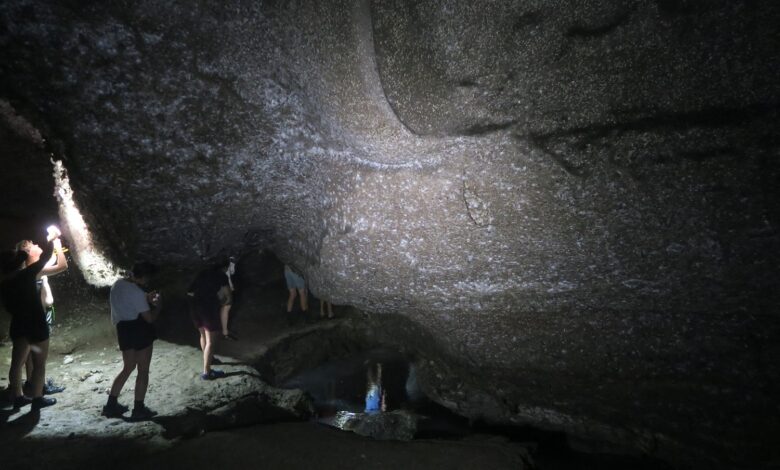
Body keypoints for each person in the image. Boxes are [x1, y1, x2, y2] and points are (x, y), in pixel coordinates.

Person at [0, 225, 67, 411]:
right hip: (36, 324)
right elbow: (58, 263)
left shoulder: (6, 282)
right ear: (24, 255)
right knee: (39, 363)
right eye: (31, 245)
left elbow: (45, 261)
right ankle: (37, 397)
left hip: (19, 324)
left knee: (18, 363)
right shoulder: (29, 274)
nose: (35, 244)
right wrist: (55, 240)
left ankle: (19, 397)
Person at [102, 262, 160, 420]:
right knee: (143, 370)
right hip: (140, 331)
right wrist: (157, 305)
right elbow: (149, 318)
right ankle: (139, 409)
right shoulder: (137, 293)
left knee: (128, 367)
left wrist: (145, 298)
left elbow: (127, 303)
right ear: (143, 277)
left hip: (123, 330)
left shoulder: (117, 284)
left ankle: (111, 405)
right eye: (147, 279)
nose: (148, 282)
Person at [18, 240, 66, 396]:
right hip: (40, 315)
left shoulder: (30, 268)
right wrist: (58, 244)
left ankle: (33, 383)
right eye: (32, 244)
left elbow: (49, 261)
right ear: (29, 253)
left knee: (33, 353)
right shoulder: (33, 271)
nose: (36, 244)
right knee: (38, 355)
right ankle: (39, 387)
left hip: (38, 313)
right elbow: (62, 266)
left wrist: (54, 248)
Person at [187, 260, 232, 380]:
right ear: (225, 267)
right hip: (207, 308)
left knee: (202, 335)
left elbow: (190, 291)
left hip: (194, 306)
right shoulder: (221, 275)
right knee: (211, 341)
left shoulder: (204, 273)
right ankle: (207, 372)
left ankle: (210, 359)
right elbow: (228, 295)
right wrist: (223, 304)